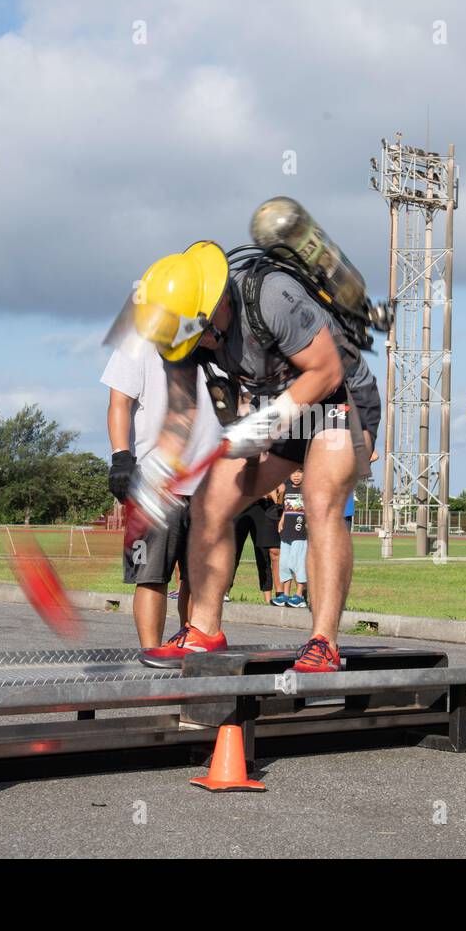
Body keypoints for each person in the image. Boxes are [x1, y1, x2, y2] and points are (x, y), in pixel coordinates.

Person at [122, 237, 382, 673]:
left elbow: (327, 370)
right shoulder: (181, 334)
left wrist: (262, 425)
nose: (192, 349)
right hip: (283, 409)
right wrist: (155, 477)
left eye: (197, 337)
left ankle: (323, 642)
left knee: (320, 502)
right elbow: (181, 416)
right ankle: (204, 631)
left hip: (341, 400)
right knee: (210, 501)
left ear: (216, 306)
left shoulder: (272, 296)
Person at [102, 343, 220, 647]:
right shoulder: (139, 338)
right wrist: (120, 457)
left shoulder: (219, 338)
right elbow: (119, 401)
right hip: (156, 483)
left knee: (199, 581)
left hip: (211, 481)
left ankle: (193, 649)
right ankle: (151, 655)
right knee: (151, 576)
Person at [277, 468, 308, 607]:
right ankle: (285, 594)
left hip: (300, 533)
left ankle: (299, 595)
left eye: (299, 472)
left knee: (297, 563)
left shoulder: (307, 489)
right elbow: (286, 508)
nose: (296, 475)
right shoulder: (288, 488)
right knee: (284, 563)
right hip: (287, 531)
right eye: (293, 472)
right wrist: (282, 521)